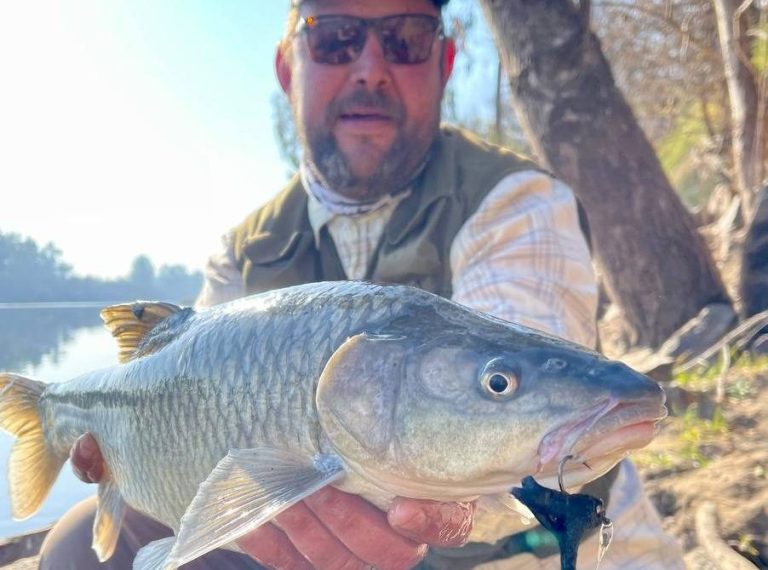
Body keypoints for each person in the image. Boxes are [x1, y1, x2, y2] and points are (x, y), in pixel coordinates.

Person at [40, 0, 686, 568]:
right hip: (295, 524)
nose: (371, 68)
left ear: (445, 63)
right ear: (288, 69)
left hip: (536, 556)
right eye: (335, 39)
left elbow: (513, 461)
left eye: (406, 39)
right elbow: (187, 412)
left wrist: (449, 507)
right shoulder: (241, 250)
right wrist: (126, 455)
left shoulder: (518, 202)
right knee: (77, 548)